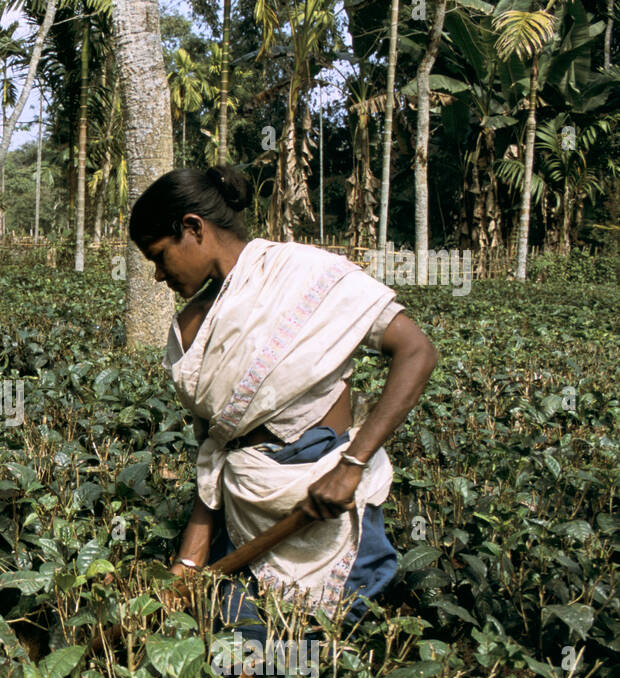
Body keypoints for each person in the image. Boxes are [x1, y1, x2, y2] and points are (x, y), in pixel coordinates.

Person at [132, 165, 438, 642]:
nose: (157, 275)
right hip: (245, 505)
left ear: (193, 228)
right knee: (238, 649)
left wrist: (352, 466)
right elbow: (214, 455)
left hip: (325, 489)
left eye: (159, 256)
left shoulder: (309, 273)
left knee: (340, 645)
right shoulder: (189, 327)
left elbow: (416, 351)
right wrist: (188, 561)